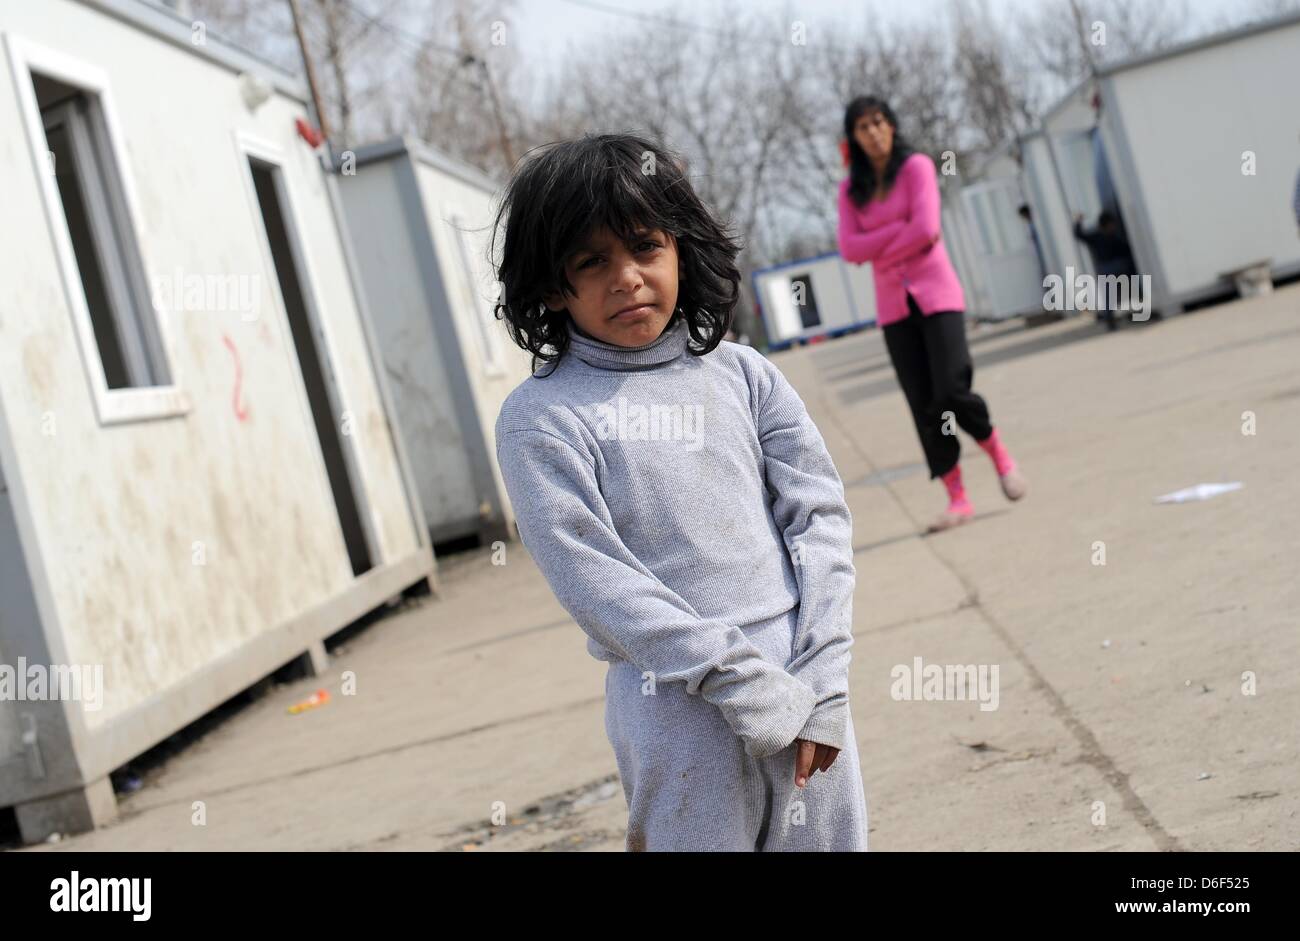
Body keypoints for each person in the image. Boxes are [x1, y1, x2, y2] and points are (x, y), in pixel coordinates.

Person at [490, 133, 868, 852]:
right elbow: (598, 583)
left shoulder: (745, 375)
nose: (626, 277)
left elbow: (819, 518)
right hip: (673, 712)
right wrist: (740, 683)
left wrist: (823, 675)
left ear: (681, 250)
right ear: (549, 284)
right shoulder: (542, 418)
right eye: (590, 261)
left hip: (804, 692)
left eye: (643, 247)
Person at [836, 95, 1027, 533]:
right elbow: (850, 248)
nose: (873, 132)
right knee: (923, 404)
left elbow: (926, 231)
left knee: (951, 389)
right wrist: (895, 233)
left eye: (879, 122)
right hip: (894, 310)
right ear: (854, 137)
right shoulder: (851, 191)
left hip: (938, 296)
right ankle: (957, 496)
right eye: (863, 127)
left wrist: (878, 246)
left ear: (892, 125)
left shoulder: (918, 167)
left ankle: (999, 455)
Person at [1072, 210, 1137, 331]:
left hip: (1107, 270)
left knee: (1111, 296)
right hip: (1113, 268)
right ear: (1108, 224)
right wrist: (1077, 222)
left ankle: (1110, 318)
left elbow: (1079, 235)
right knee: (1115, 293)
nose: (1114, 227)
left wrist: (1077, 222)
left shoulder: (1099, 236)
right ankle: (1113, 317)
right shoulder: (1108, 236)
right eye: (1112, 224)